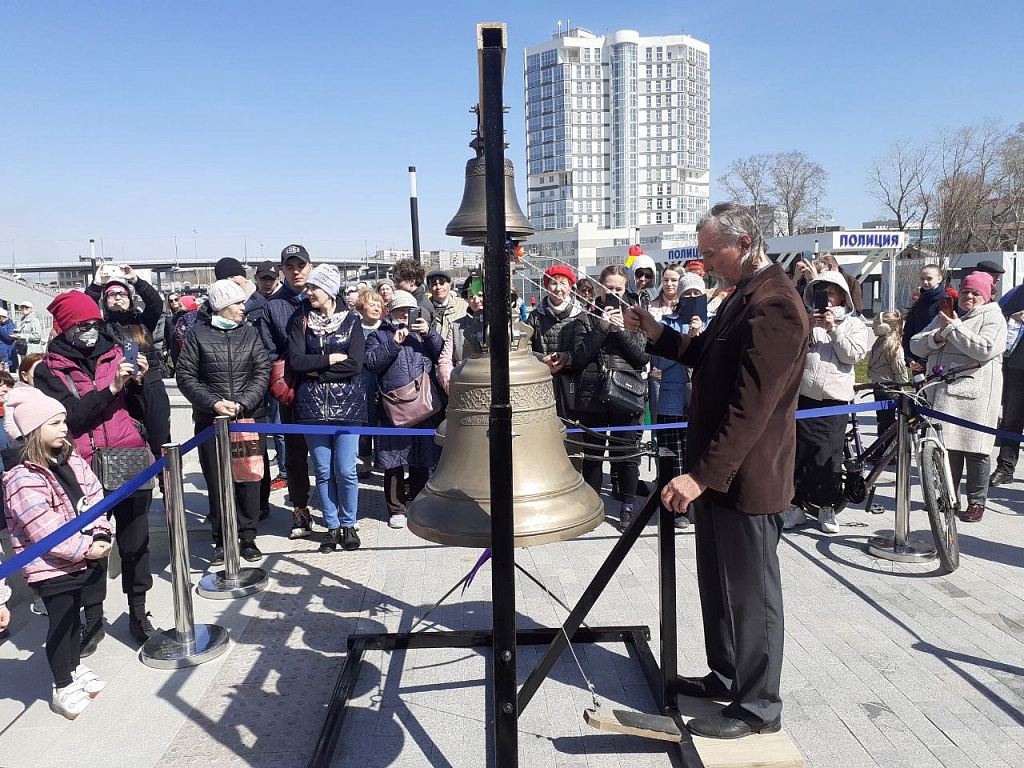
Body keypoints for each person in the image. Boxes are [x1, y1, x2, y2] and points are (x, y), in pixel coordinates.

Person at [624, 202, 808, 740]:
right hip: (717, 475)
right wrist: (658, 333)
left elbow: (752, 406)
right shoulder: (744, 295)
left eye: (710, 251)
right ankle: (727, 674)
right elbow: (707, 355)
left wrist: (701, 477)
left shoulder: (775, 305)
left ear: (744, 241)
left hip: (746, 479)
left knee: (752, 594)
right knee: (718, 585)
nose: (703, 261)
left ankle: (759, 706)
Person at [34, 290, 160, 645]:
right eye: (81, 325)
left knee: (136, 543)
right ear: (64, 327)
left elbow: (142, 410)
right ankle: (93, 619)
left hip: (130, 458)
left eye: (94, 323)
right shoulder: (49, 369)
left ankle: (138, 612)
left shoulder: (116, 352)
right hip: (83, 469)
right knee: (93, 547)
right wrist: (110, 387)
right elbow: (70, 418)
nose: (90, 330)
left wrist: (139, 383)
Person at [3, 388, 112, 718]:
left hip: (86, 554)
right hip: (51, 567)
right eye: (55, 423)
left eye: (63, 420)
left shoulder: (72, 459)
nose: (64, 428)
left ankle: (75, 668)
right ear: (35, 430)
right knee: (60, 625)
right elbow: (43, 528)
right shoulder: (21, 476)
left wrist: (103, 532)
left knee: (76, 617)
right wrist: (85, 549)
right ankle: (62, 685)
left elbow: (94, 496)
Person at [175, 280, 271, 563]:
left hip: (247, 418)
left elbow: (262, 371)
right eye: (238, 303)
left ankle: (248, 536)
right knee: (218, 482)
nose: (243, 308)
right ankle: (221, 539)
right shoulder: (198, 335)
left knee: (248, 480)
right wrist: (213, 403)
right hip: (211, 422)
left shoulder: (250, 333)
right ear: (221, 306)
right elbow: (186, 377)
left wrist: (243, 402)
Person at [910, 271, 1005, 522]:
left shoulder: (993, 317)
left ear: (987, 296)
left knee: (977, 450)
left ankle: (977, 502)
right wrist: (938, 335)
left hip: (975, 395)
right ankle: (949, 496)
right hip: (942, 393)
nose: (969, 297)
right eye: (965, 292)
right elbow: (915, 344)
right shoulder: (947, 313)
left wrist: (952, 329)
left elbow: (985, 349)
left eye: (976, 293)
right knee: (947, 447)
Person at [785, 270, 872, 533]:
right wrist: (808, 327)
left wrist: (833, 329)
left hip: (833, 400)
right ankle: (796, 505)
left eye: (832, 292)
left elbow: (853, 356)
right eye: (823, 292)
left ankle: (827, 507)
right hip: (804, 397)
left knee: (827, 456)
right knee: (798, 452)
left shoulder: (854, 324)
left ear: (843, 296)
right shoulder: (806, 319)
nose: (828, 299)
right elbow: (789, 350)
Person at [289, 264, 366, 551]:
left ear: (330, 291)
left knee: (346, 470)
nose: (308, 292)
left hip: (348, 406)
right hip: (311, 407)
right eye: (308, 287)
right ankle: (332, 526)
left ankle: (349, 523)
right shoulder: (301, 322)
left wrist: (317, 372)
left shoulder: (351, 322)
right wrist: (330, 359)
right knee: (322, 469)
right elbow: (296, 361)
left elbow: (355, 364)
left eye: (314, 287)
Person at [570, 265, 649, 531]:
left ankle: (627, 507)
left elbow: (642, 356)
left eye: (619, 289)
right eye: (610, 288)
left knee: (627, 454)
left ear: (625, 289)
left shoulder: (635, 317)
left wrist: (621, 330)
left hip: (626, 393)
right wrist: (602, 327)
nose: (614, 293)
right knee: (593, 455)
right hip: (593, 395)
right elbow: (579, 356)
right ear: (600, 288)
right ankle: (593, 506)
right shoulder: (586, 318)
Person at [366, 290, 444, 529]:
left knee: (422, 456)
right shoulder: (378, 335)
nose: (405, 316)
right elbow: (371, 363)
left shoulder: (422, 335)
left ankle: (419, 503)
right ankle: (396, 509)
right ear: (390, 311)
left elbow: (442, 354)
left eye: (410, 311)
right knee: (393, 459)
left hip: (425, 406)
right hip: (394, 408)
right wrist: (393, 344)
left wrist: (429, 333)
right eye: (400, 311)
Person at [85, 264, 171, 461]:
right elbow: (84, 308)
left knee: (161, 439)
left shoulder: (142, 321)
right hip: (120, 388)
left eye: (122, 293)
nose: (117, 297)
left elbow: (156, 303)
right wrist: (97, 284)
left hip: (151, 383)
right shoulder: (102, 327)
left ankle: (168, 485)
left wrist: (135, 280)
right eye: (111, 294)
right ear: (104, 301)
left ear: (130, 298)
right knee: (131, 440)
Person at [260, 244, 314, 539]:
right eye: (290, 266)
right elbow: (267, 351)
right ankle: (300, 511)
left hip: (326, 390)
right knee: (294, 456)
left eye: (301, 265)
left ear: (310, 266)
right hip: (293, 390)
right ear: (283, 270)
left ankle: (338, 517)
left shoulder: (328, 297)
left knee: (327, 457)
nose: (296, 271)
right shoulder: (273, 306)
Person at [651, 271, 707, 530]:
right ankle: (676, 509)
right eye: (688, 295)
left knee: (697, 454)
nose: (692, 298)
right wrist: (687, 342)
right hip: (672, 399)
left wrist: (700, 336)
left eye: (697, 294)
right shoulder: (667, 323)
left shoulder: (713, 323)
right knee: (674, 457)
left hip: (701, 399)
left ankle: (697, 504)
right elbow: (659, 362)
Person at [246, 261, 287, 493]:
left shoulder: (283, 301)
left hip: (280, 371)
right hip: (256, 371)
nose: (267, 283)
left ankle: (284, 472)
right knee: (262, 426)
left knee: (281, 427)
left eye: (271, 279)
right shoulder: (249, 306)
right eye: (263, 279)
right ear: (257, 280)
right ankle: (265, 473)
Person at [527, 265, 583, 419]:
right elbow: (523, 347)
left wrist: (567, 357)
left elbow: (587, 349)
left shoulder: (581, 314)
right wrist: (541, 359)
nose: (558, 288)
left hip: (573, 382)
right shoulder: (535, 316)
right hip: (542, 381)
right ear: (546, 287)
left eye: (563, 283)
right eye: (553, 283)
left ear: (570, 287)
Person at [989, 278, 1024, 486]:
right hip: (1017, 367)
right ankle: (1005, 468)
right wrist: (1013, 316)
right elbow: (995, 315)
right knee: (1012, 420)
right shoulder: (1017, 293)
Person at [354, 288, 385, 480]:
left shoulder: (387, 328)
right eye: (371, 304)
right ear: (361, 307)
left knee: (383, 420)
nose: (375, 308)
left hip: (383, 381)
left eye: (378, 305)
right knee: (365, 421)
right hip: (361, 381)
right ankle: (365, 461)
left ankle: (382, 459)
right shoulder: (354, 327)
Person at [438, 275, 484, 393]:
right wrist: (450, 385)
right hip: (463, 386)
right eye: (471, 296)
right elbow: (445, 359)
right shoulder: (456, 326)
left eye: (480, 295)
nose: (476, 300)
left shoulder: (502, 324)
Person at [867, 312, 908, 437]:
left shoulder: (893, 345)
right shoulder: (880, 341)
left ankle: (887, 448)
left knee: (887, 421)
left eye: (875, 324)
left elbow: (899, 369)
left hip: (889, 389)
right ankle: (882, 446)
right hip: (879, 386)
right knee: (882, 419)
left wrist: (902, 387)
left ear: (885, 327)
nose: (873, 327)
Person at [902, 264, 945, 370]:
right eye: (922, 279)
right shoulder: (920, 301)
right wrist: (908, 357)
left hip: (934, 360)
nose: (925, 282)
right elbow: (909, 330)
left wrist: (924, 361)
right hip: (915, 360)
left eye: (929, 278)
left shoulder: (944, 302)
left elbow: (942, 333)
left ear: (939, 279)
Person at [426, 269, 469, 344]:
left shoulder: (463, 306)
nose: (438, 287)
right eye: (434, 284)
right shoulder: (425, 307)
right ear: (429, 288)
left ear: (449, 285)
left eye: (442, 283)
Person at [392, 258, 435, 325]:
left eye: (399, 280)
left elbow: (419, 333)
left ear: (412, 281)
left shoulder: (421, 306)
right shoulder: (413, 300)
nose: (395, 284)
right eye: (394, 280)